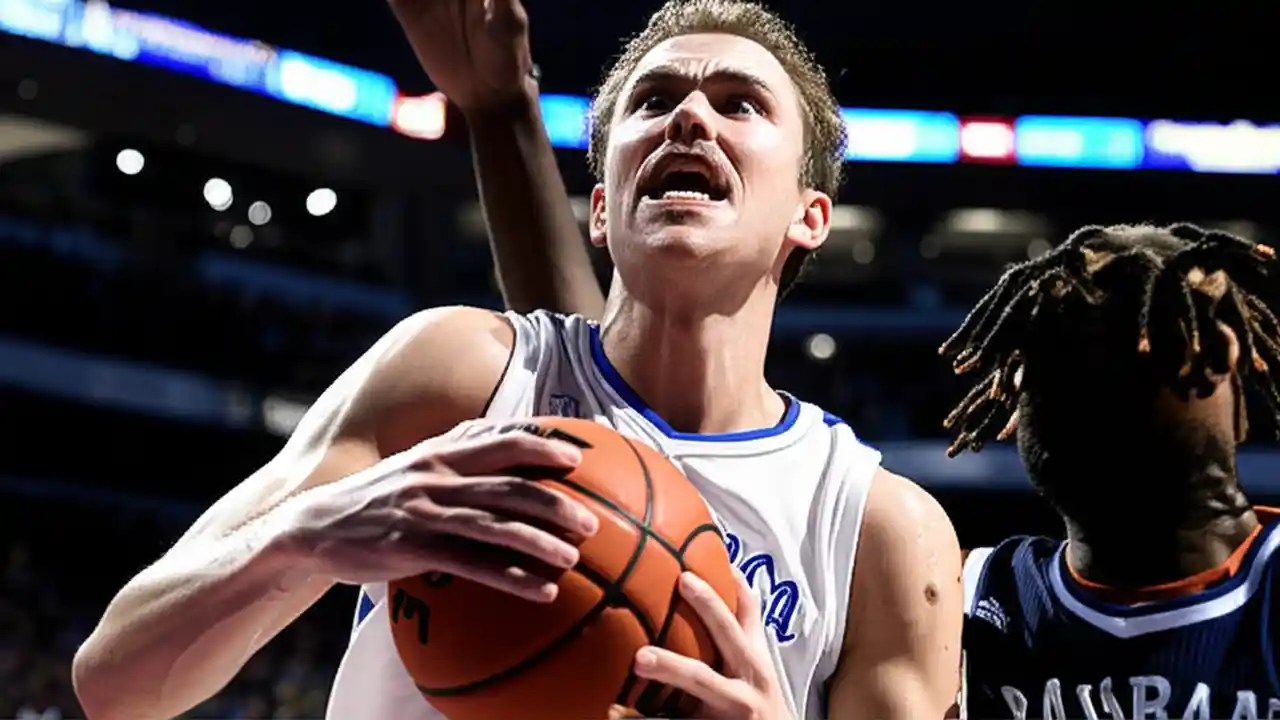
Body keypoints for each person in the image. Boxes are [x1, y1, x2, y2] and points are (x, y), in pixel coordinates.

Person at [70, 1, 963, 720]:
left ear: (811, 216)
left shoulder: (880, 534)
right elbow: (116, 683)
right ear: (602, 209)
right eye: (654, 102)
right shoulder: (460, 376)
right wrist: (310, 535)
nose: (690, 115)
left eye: (740, 103)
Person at [940, 223, 1280, 719]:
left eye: (1146, 340)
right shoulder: (962, 601)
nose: (1096, 382)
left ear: (1224, 357)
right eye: (1057, 354)